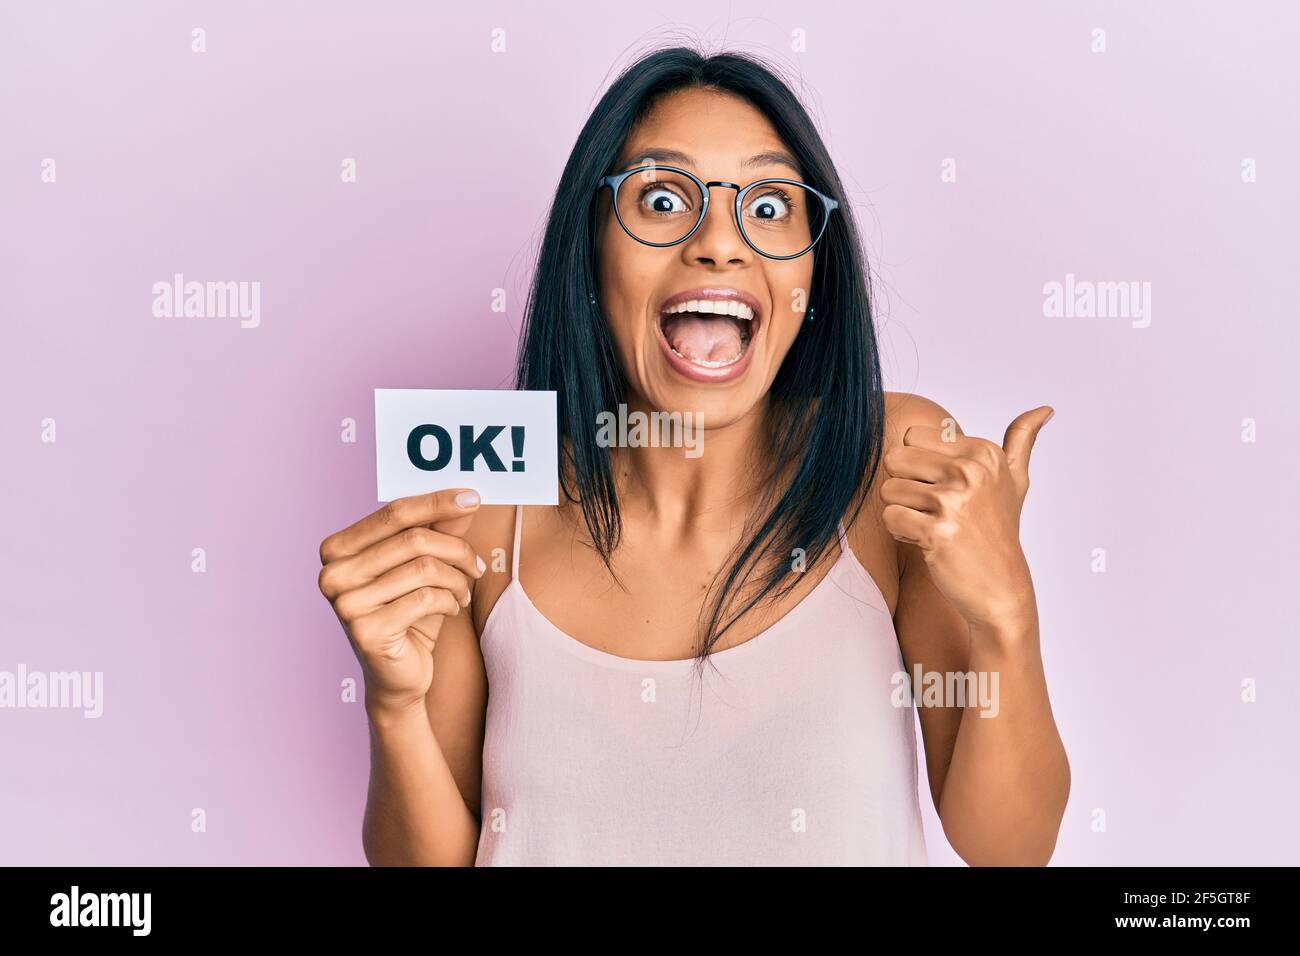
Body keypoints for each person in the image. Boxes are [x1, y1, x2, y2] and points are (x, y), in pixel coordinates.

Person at [317, 47, 1070, 866]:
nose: (719, 244)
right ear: (592, 245)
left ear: (815, 270)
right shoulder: (487, 503)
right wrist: (393, 705)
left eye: (772, 206)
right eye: (665, 198)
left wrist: (1008, 620)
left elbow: (1010, 850)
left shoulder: (889, 462)